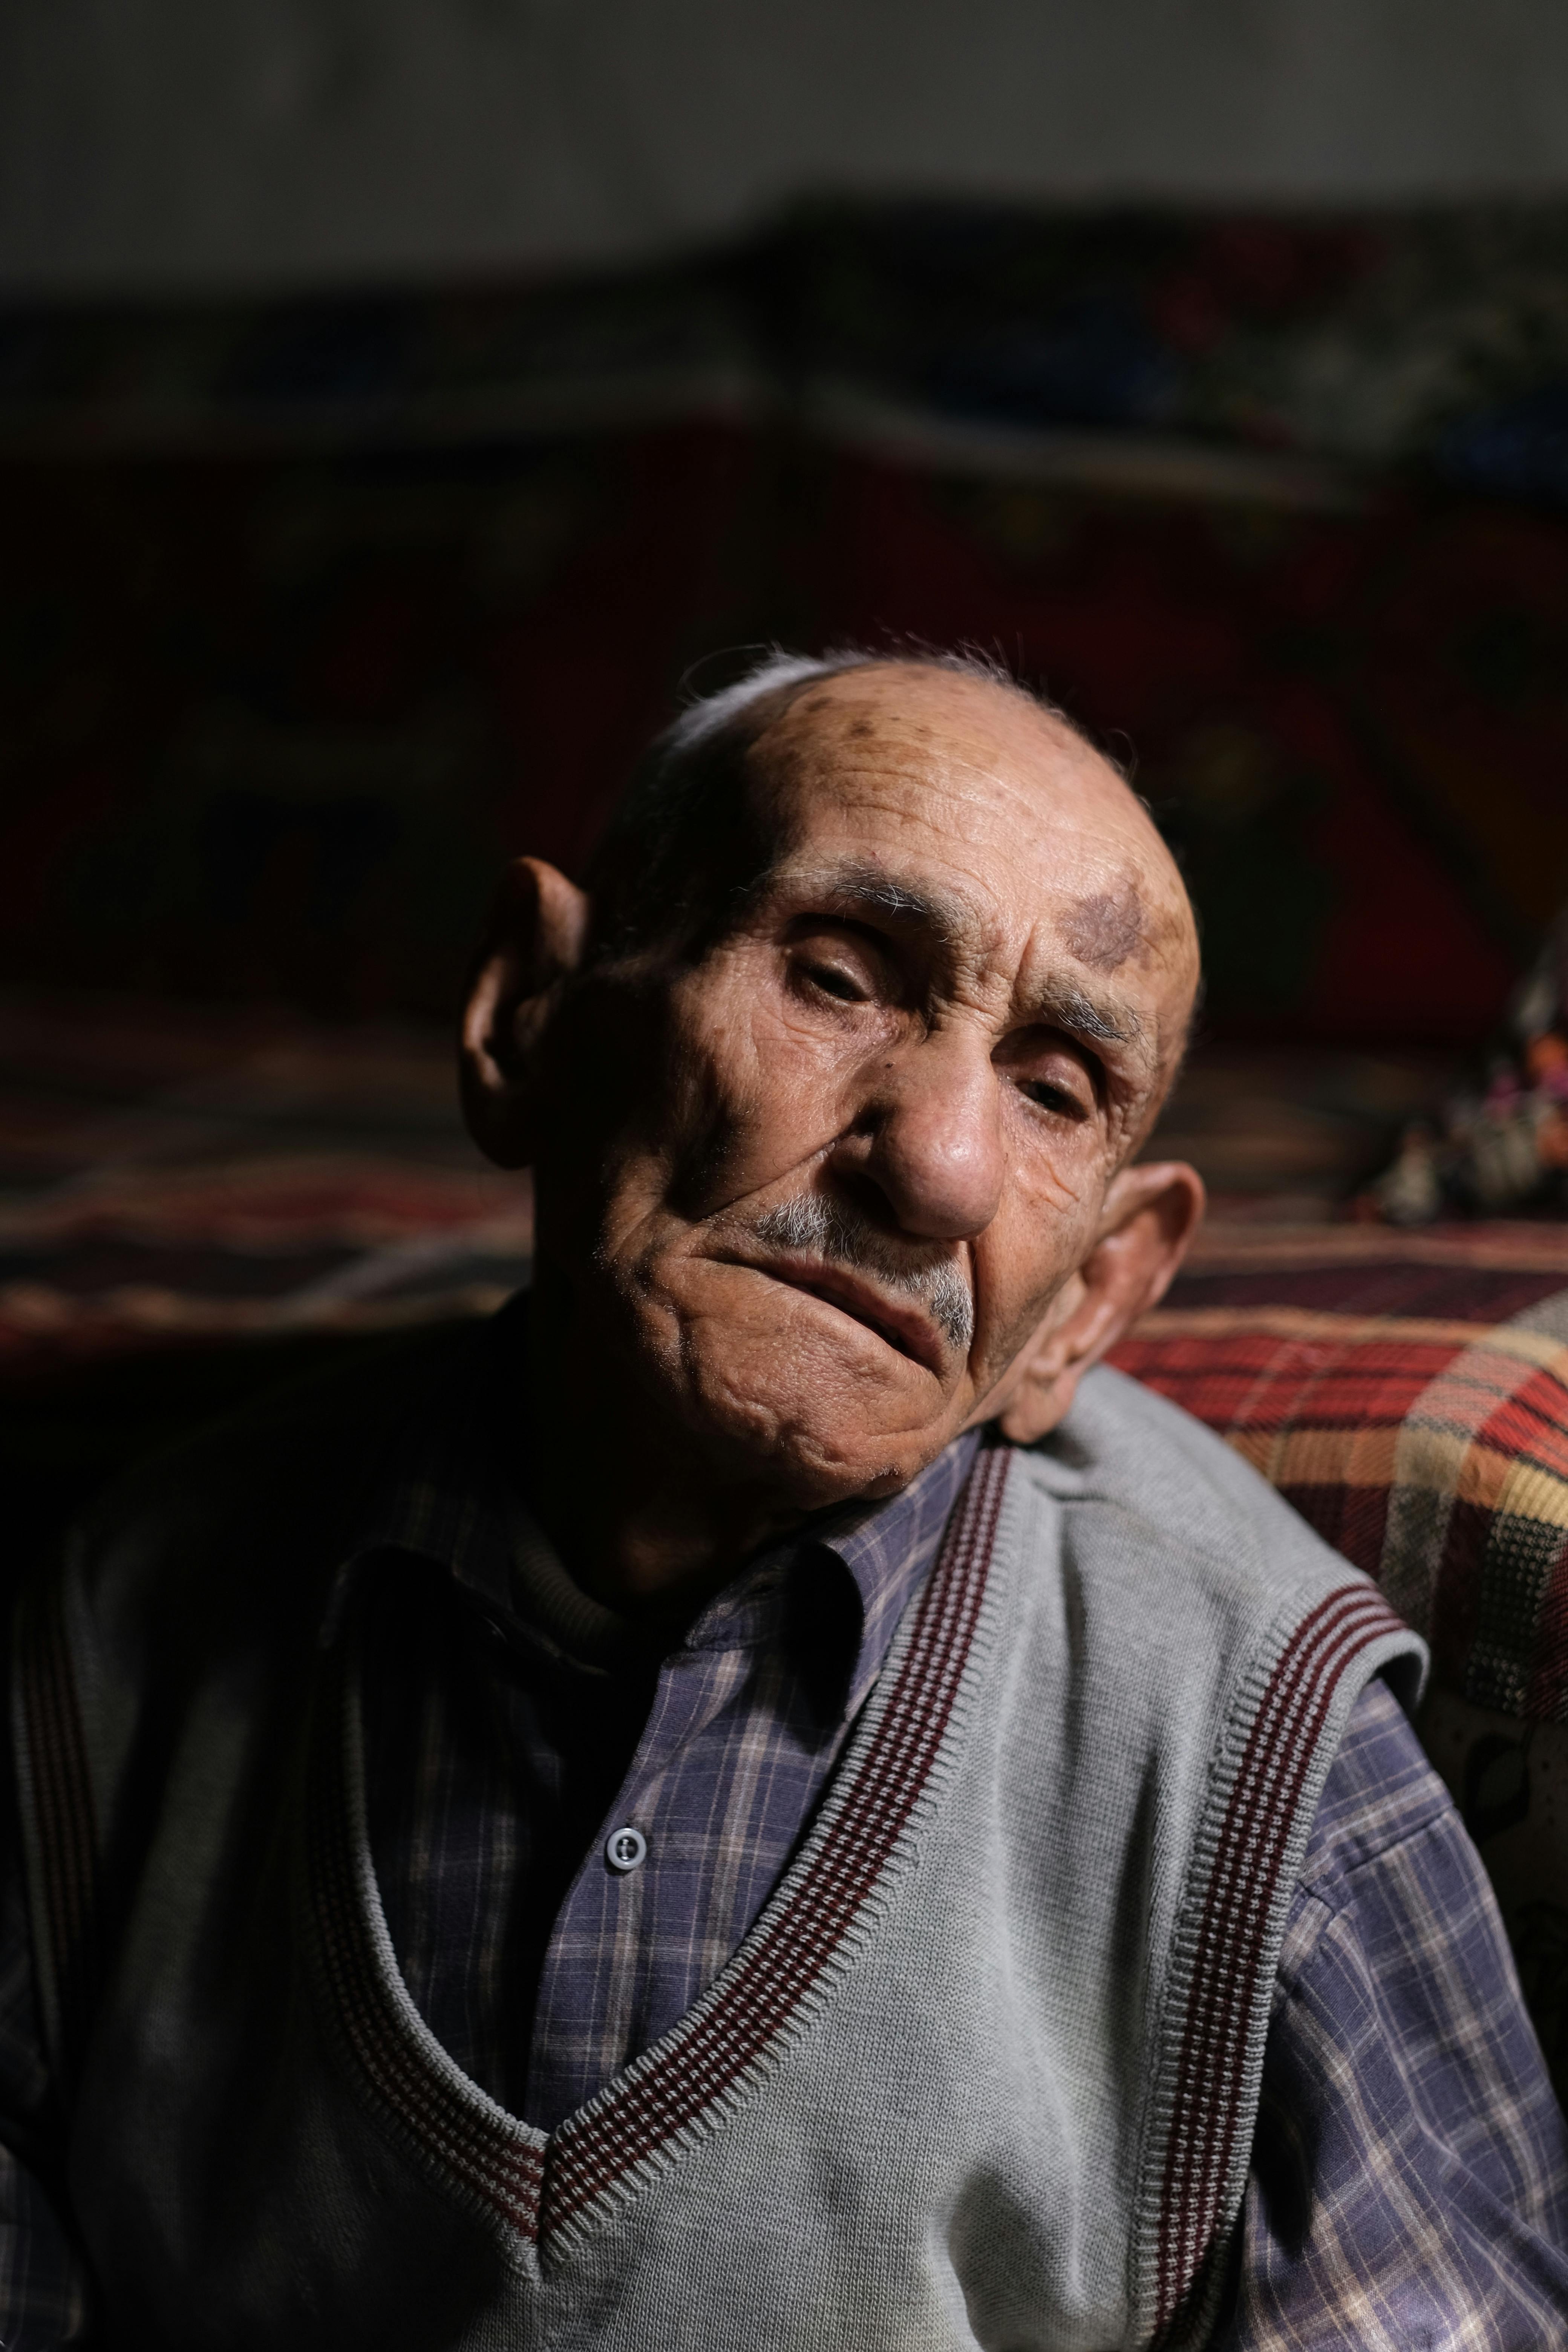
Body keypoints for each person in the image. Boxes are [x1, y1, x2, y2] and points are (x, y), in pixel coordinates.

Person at [3, 650, 1565, 2349]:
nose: (937, 1165)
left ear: (1094, 1304)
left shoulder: (1255, 1737)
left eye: (1053, 1090)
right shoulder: (119, 1613)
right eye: (835, 978)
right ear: (528, 1012)